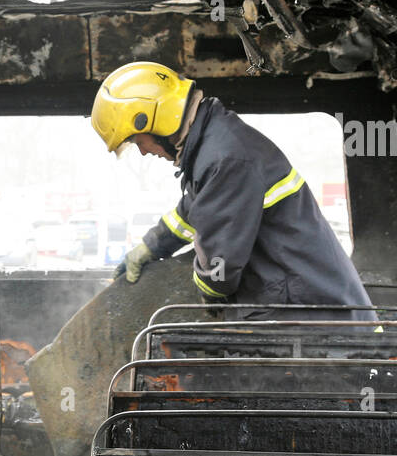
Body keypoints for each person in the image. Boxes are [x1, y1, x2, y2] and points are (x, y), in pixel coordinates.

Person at [91, 61, 374, 321]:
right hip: (306, 308)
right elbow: (196, 210)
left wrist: (206, 299)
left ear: (156, 120)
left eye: (137, 141)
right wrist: (152, 246)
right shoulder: (214, 147)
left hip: (318, 321)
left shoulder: (226, 158)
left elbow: (219, 270)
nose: (142, 152)